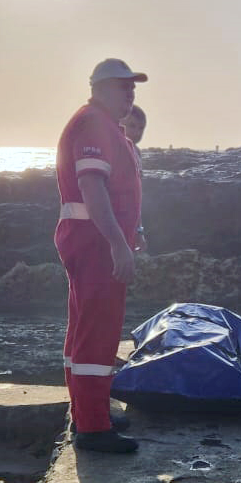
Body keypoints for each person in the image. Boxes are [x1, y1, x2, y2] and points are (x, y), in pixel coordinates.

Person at [55, 58, 147, 454]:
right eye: (124, 86)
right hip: (94, 244)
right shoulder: (93, 123)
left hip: (91, 241)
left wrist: (133, 230)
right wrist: (117, 243)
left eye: (133, 87)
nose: (131, 94)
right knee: (98, 332)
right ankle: (93, 428)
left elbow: (116, 190)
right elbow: (92, 189)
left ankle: (89, 412)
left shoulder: (106, 126)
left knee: (85, 331)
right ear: (102, 87)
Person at [120, 104, 147, 252]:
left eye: (141, 128)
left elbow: (136, 196)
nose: (137, 132)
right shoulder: (114, 149)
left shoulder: (136, 151)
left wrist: (140, 231)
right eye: (132, 126)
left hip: (131, 221)